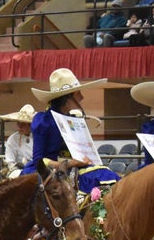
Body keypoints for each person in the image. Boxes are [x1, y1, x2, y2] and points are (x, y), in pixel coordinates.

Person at [22, 67, 118, 195]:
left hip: (74, 167)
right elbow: (38, 160)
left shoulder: (73, 120)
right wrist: (68, 163)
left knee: (105, 174)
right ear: (67, 98)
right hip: (49, 171)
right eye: (78, 94)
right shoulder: (43, 121)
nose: (82, 98)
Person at [0, 104, 36, 178]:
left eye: (23, 124)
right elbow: (9, 161)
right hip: (18, 173)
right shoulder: (12, 139)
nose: (19, 126)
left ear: (31, 124)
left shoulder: (39, 137)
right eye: (18, 123)